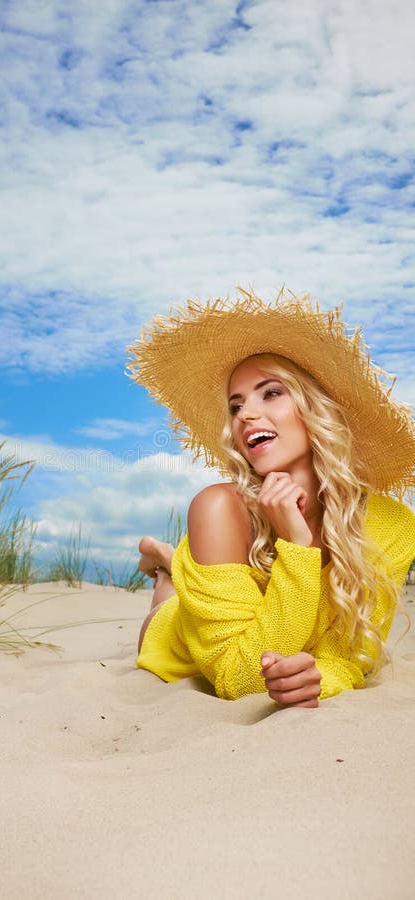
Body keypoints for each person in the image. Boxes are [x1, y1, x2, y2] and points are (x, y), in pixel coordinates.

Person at [128, 289, 415, 708]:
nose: (245, 415)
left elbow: (350, 659)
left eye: (272, 392)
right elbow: (237, 676)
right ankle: (169, 574)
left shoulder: (392, 525)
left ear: (317, 408)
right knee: (167, 607)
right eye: (235, 405)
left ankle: (172, 560)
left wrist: (320, 677)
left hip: (234, 604)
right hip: (181, 638)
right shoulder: (217, 508)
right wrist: (297, 548)